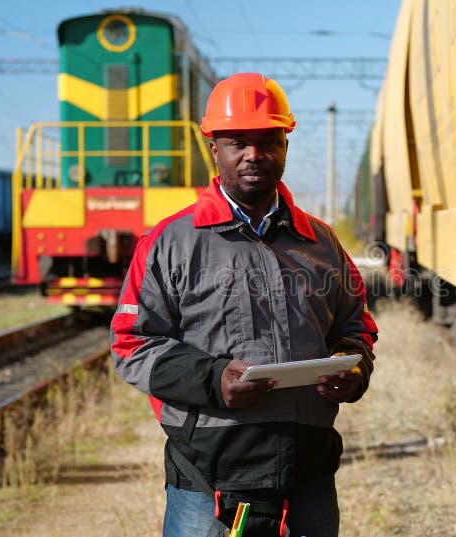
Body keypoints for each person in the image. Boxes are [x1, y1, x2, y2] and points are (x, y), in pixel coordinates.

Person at [110, 72, 378, 537]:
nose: (254, 154)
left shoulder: (320, 242)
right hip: (209, 483)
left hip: (308, 478)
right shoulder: (169, 243)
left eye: (269, 141)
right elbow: (131, 345)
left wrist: (352, 370)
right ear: (214, 147)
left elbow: (357, 325)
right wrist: (214, 379)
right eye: (238, 142)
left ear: (285, 146)